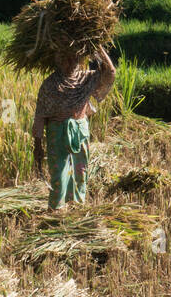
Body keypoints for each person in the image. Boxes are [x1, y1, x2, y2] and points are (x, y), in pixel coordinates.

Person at [31, 45, 116, 209]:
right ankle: (56, 212)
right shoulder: (49, 85)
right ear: (57, 60)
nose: (70, 61)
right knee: (59, 176)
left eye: (74, 57)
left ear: (80, 59)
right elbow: (40, 115)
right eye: (65, 58)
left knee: (80, 173)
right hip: (58, 134)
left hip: (80, 131)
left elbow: (110, 73)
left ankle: (76, 210)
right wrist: (37, 145)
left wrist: (97, 47)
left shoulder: (86, 79)